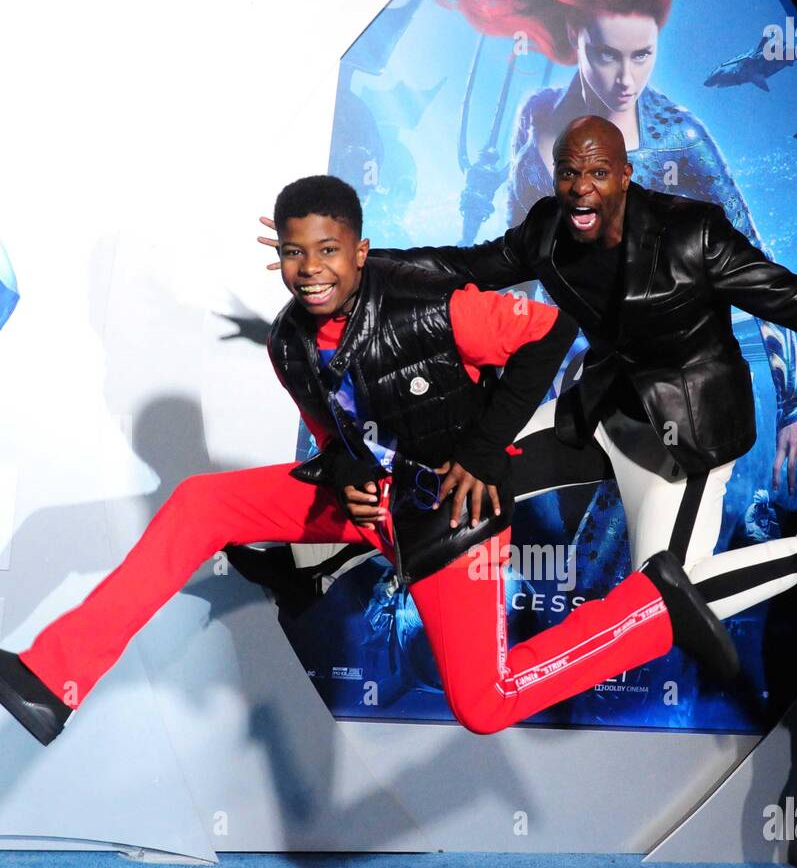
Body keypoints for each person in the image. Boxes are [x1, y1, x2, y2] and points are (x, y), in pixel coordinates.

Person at [0, 175, 747, 747]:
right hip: (376, 504)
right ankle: (52, 678)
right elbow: (337, 437)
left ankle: (654, 612)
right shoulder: (289, 343)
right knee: (202, 502)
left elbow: (549, 334)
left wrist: (482, 454)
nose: (310, 269)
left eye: (328, 251)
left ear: (361, 251)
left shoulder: (431, 304)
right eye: (295, 252)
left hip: (449, 510)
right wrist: (351, 477)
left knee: (484, 706)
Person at [275, 116, 797, 622]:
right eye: (568, 173)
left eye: (596, 172)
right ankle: (316, 569)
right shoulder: (549, 230)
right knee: (466, 469)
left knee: (664, 594)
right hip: (606, 414)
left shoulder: (695, 236)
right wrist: (352, 263)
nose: (580, 188)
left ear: (625, 174)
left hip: (687, 438)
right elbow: (465, 267)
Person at [433, 0, 797, 490]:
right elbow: (513, 261)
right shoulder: (537, 113)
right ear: (575, 37)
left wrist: (794, 404)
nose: (626, 79)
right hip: (552, 377)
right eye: (607, 54)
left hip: (651, 399)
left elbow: (760, 274)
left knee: (611, 551)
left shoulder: (681, 139)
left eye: (642, 55)